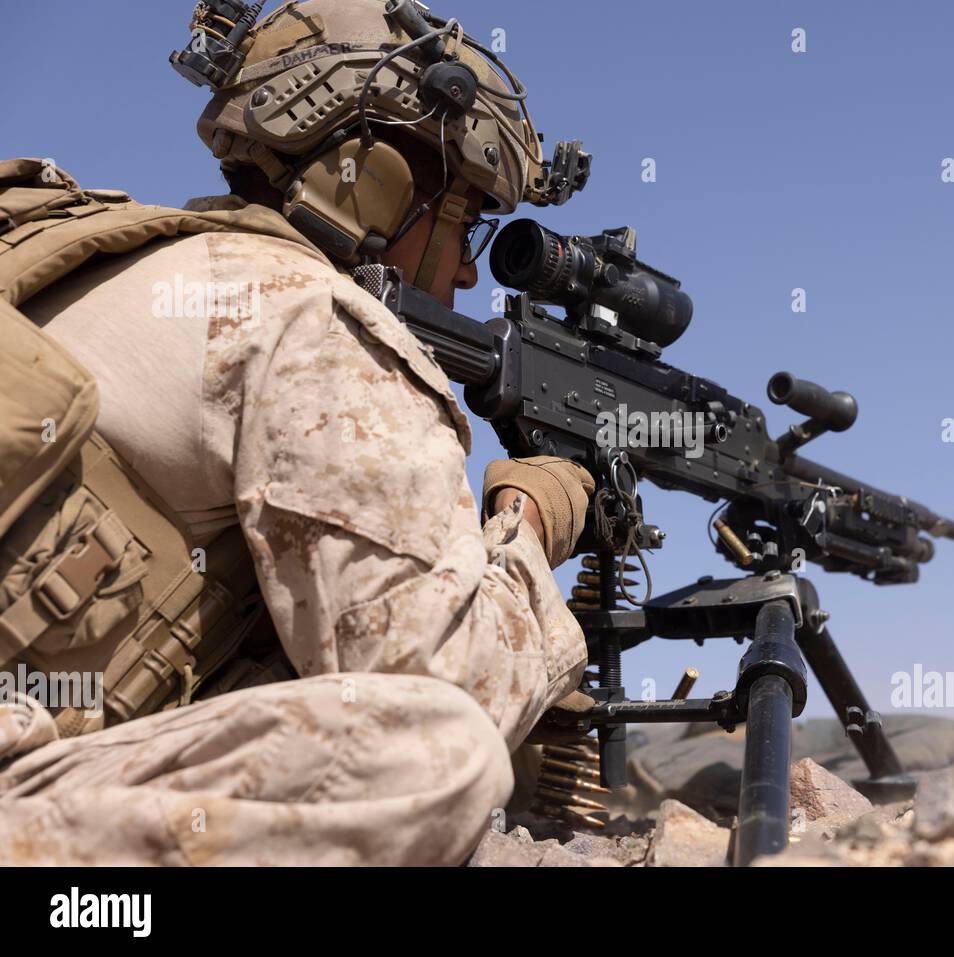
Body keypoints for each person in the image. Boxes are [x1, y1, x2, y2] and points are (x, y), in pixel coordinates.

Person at [0, 0, 593, 865]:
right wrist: (531, 522)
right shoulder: (308, 318)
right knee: (433, 748)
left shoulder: (101, 256)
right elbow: (437, 680)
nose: (467, 268)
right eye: (467, 222)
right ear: (377, 178)